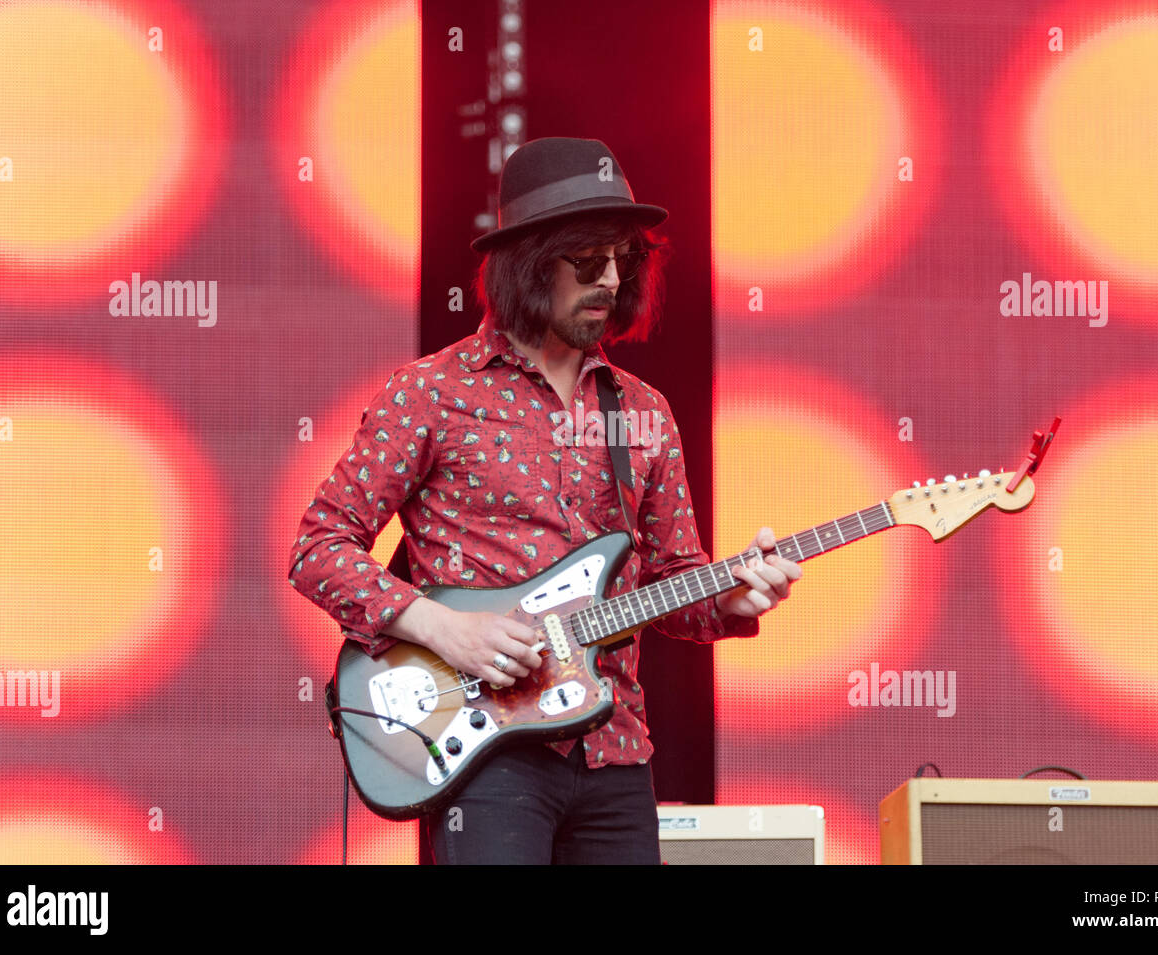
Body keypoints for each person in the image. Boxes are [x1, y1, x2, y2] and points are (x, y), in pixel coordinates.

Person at [290, 137, 801, 864]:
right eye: (589, 261)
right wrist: (441, 628)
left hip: (615, 745)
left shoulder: (644, 410)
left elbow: (668, 579)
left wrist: (730, 599)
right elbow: (318, 548)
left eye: (624, 258)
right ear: (530, 261)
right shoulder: (432, 391)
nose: (612, 279)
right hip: (487, 751)